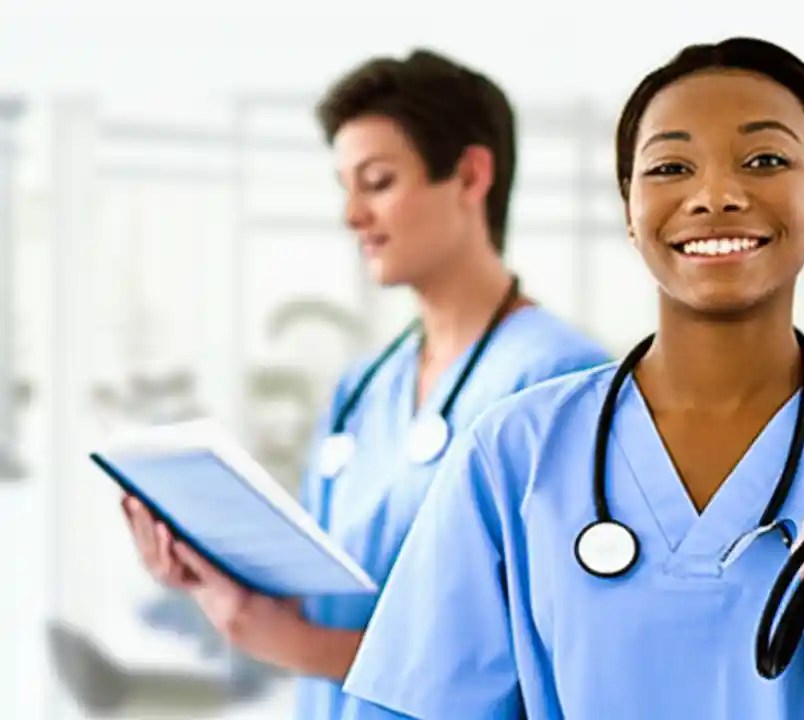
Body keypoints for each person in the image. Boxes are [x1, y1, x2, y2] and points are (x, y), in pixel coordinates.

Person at [340, 37, 804, 720]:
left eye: (766, 159)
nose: (716, 195)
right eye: (671, 168)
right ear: (629, 210)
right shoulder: (515, 450)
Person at [118, 48, 611, 720]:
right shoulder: (363, 389)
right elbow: (322, 593)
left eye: (377, 181)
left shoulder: (563, 382)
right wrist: (217, 583)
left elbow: (549, 652)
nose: (352, 215)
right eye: (344, 187)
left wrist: (295, 645)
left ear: (470, 175)